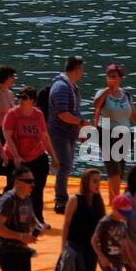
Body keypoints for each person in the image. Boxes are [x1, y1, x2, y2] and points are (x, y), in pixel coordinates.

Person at [1, 85, 62, 223]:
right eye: (19, 97)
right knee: (12, 189)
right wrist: (16, 156)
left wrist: (54, 156)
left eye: (24, 97)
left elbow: (45, 137)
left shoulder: (38, 114)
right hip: (16, 157)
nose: (20, 100)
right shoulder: (12, 114)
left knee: (38, 188)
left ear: (32, 100)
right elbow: (7, 136)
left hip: (36, 156)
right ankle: (6, 217)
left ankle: (38, 219)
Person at [93, 63, 136, 202]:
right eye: (109, 76)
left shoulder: (126, 94)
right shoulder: (102, 93)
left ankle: (113, 201)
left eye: (114, 76)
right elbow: (96, 105)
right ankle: (118, 204)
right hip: (106, 135)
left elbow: (133, 113)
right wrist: (107, 91)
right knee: (114, 171)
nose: (111, 78)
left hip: (124, 135)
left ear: (120, 78)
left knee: (119, 172)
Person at [61, 168, 106, 271]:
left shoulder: (98, 200)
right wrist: (63, 248)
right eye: (94, 181)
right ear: (86, 182)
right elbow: (66, 224)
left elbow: (102, 226)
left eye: (99, 182)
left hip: (91, 247)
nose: (97, 184)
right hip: (75, 244)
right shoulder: (75, 199)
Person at [46, 54, 86, 214]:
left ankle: (61, 196)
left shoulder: (70, 86)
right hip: (59, 133)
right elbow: (62, 114)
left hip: (68, 133)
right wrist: (81, 122)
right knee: (64, 165)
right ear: (77, 69)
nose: (82, 72)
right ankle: (60, 200)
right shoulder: (62, 87)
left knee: (65, 166)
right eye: (81, 69)